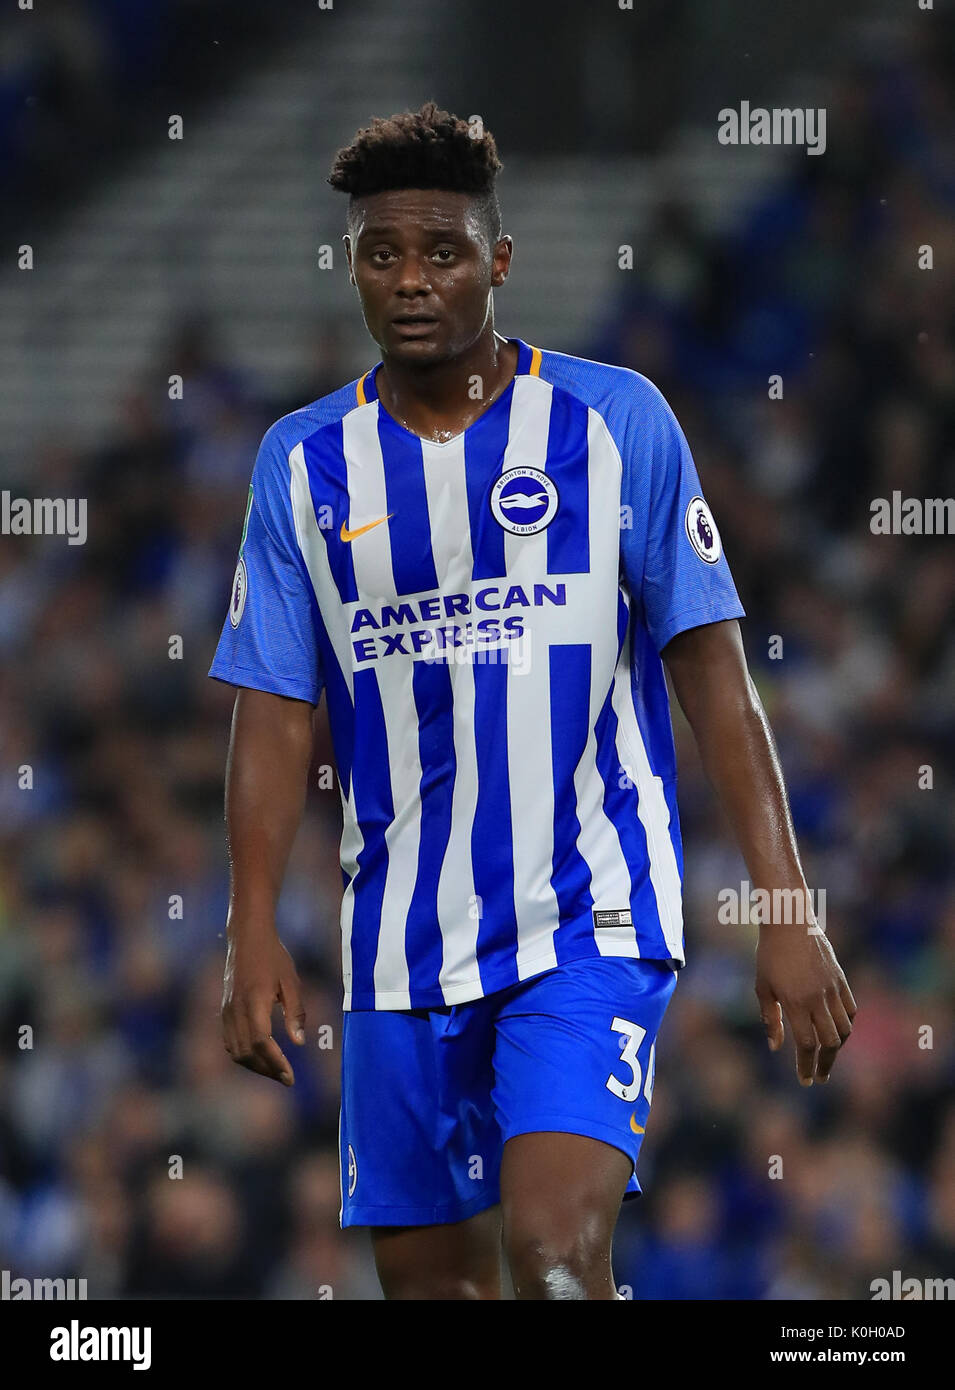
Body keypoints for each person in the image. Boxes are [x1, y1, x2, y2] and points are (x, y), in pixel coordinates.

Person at [210, 102, 856, 1300]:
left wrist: (786, 905)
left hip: (587, 920)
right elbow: (273, 706)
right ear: (352, 265)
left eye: (442, 252)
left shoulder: (615, 426)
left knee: (556, 1257)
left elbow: (712, 670)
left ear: (497, 262)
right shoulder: (301, 465)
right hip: (400, 943)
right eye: (381, 255)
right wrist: (249, 925)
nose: (411, 281)